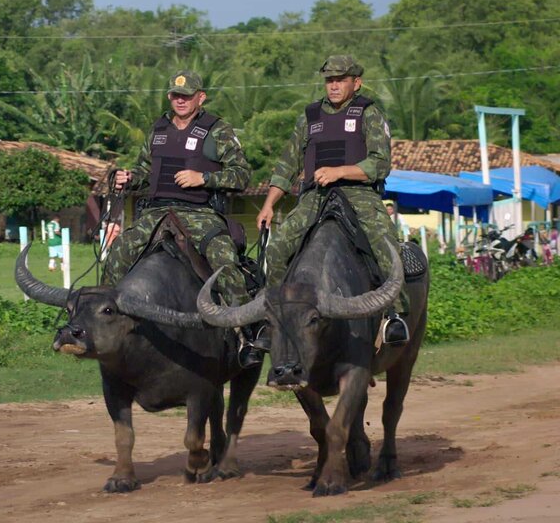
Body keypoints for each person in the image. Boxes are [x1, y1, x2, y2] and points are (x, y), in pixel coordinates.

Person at [101, 69, 265, 368]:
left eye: (187, 96)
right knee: (118, 252)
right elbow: (145, 172)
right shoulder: (158, 129)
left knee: (224, 259)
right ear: (169, 97)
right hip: (155, 212)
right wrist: (129, 177)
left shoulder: (218, 129)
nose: (180, 100)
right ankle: (101, 326)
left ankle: (248, 334)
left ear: (200, 97)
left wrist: (203, 177)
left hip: (199, 213)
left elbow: (241, 175)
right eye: (176, 95)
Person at [257, 55, 409, 345]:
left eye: (340, 80)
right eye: (330, 80)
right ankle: (273, 317)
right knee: (277, 248)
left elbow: (380, 163)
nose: (334, 85)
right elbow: (287, 165)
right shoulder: (310, 116)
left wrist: (341, 171)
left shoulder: (369, 113)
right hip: (315, 195)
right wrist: (269, 204)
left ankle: (395, 314)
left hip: (358, 194)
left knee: (383, 240)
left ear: (356, 82)